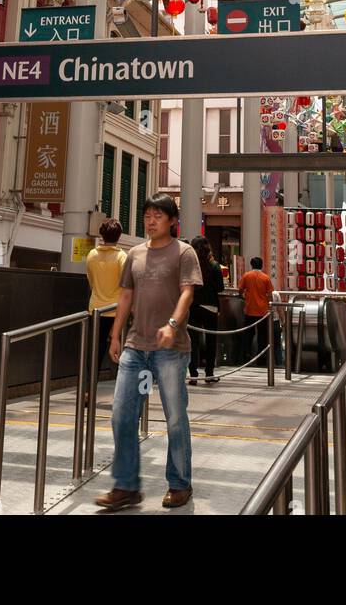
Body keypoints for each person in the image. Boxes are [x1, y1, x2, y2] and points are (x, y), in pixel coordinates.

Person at [95, 194, 201, 512]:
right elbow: (126, 296)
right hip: (137, 351)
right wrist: (115, 336)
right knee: (123, 415)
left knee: (175, 418)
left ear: (172, 221)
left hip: (169, 351)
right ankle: (127, 486)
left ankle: (180, 484)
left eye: (158, 215)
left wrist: (172, 325)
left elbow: (187, 294)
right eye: (147, 215)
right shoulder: (135, 254)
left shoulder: (184, 252)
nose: (151, 220)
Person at [85, 218, 127, 376]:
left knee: (95, 352)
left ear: (102, 234)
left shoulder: (92, 254)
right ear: (119, 235)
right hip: (116, 312)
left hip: (95, 310)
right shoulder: (122, 257)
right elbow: (126, 286)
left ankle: (89, 389)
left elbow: (90, 281)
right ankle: (121, 391)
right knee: (119, 351)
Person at [187, 236, 224, 387]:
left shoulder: (190, 266)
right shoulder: (214, 266)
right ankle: (209, 373)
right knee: (211, 341)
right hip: (210, 307)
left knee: (193, 342)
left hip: (193, 306)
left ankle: (194, 375)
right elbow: (220, 288)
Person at [238, 256, 274, 367]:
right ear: (261, 265)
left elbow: (240, 290)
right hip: (262, 312)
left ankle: (245, 358)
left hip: (249, 310)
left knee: (247, 336)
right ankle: (261, 360)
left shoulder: (246, 276)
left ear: (251, 265)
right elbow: (270, 295)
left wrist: (244, 296)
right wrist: (270, 306)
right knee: (262, 337)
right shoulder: (266, 278)